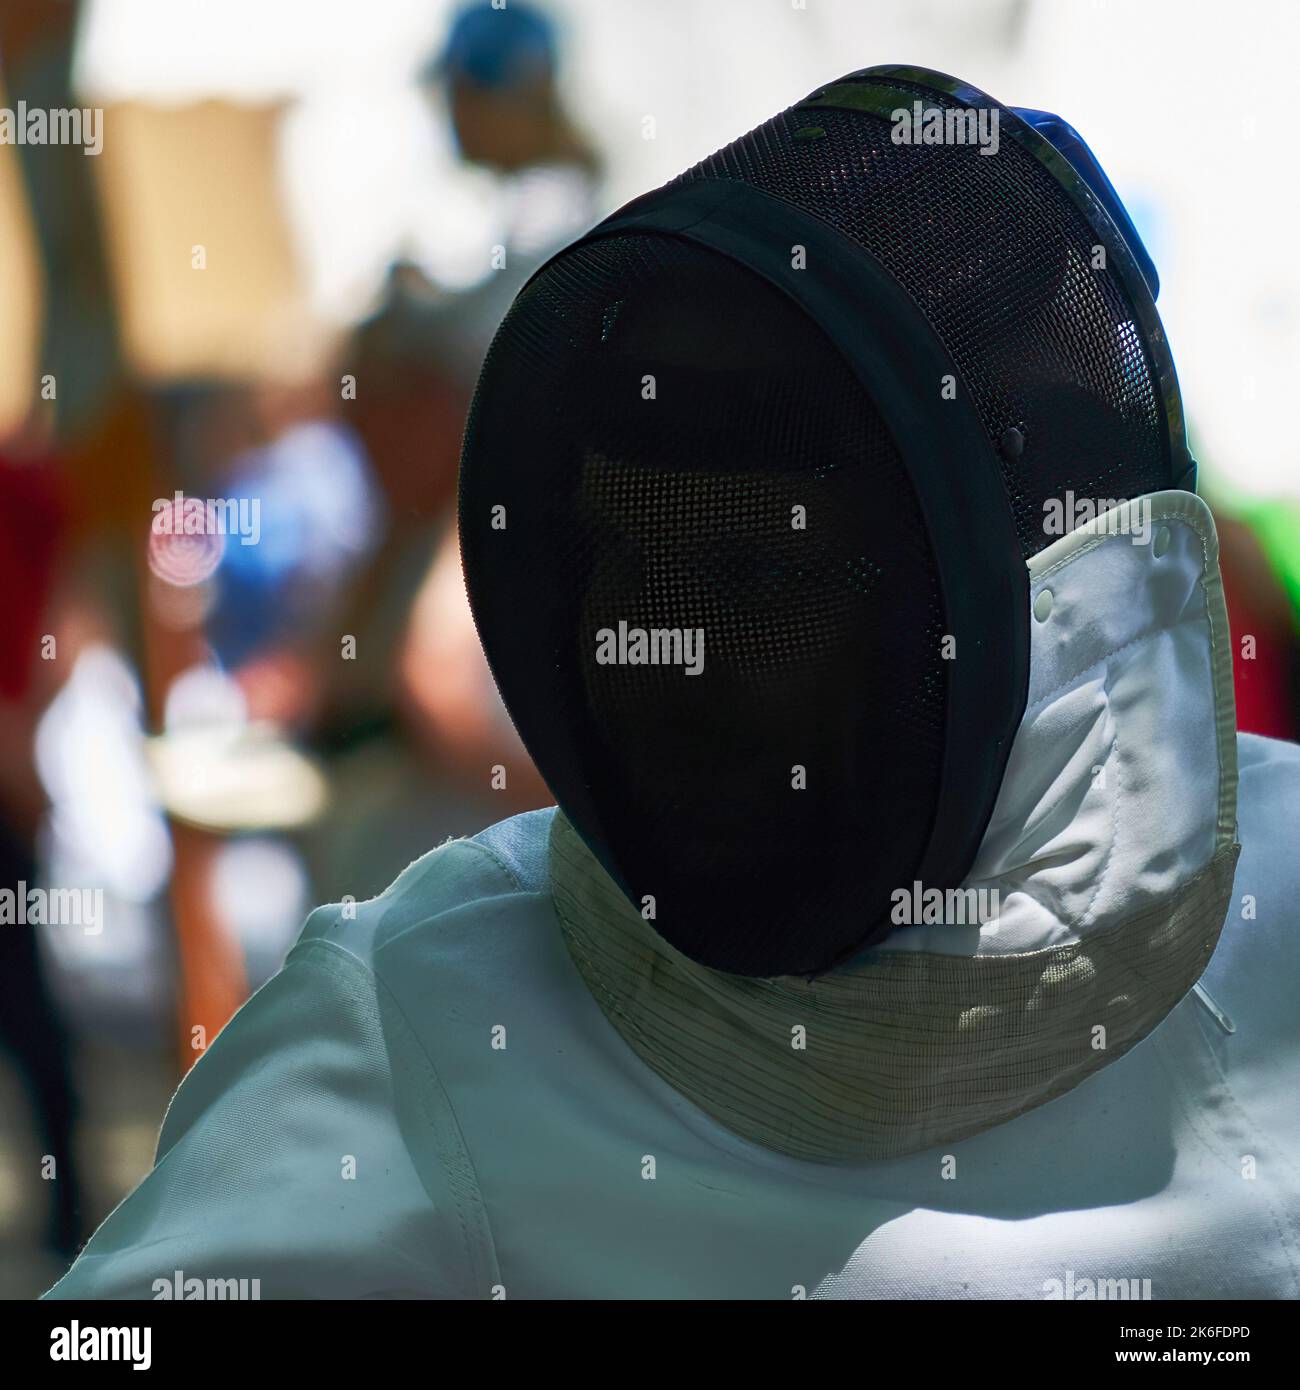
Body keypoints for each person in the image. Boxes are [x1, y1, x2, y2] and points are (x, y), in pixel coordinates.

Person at [45, 66, 1300, 1301]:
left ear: (990, 574)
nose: (667, 645)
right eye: (629, 562)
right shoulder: (429, 1018)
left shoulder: (1280, 907)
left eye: (758, 570)